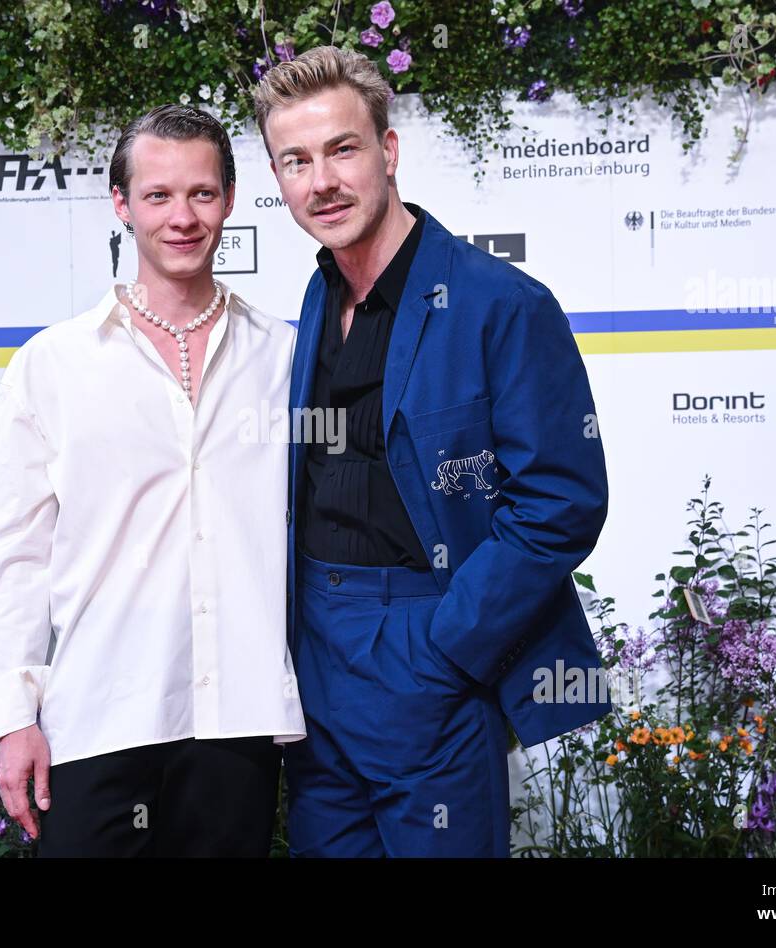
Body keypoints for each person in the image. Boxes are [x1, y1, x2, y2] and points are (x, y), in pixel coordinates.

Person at [253, 46, 612, 857]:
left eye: (342, 149)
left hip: (423, 641)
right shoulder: (316, 296)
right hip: (313, 652)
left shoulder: (502, 303)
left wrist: (449, 645)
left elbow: (561, 500)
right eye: (296, 161)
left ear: (388, 149)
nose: (323, 182)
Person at [0, 104, 305, 857]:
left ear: (230, 198)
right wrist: (15, 717)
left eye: (201, 194)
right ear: (121, 204)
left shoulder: (286, 356)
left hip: (237, 722)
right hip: (97, 718)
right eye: (157, 195)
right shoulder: (52, 364)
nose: (181, 217)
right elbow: (9, 553)